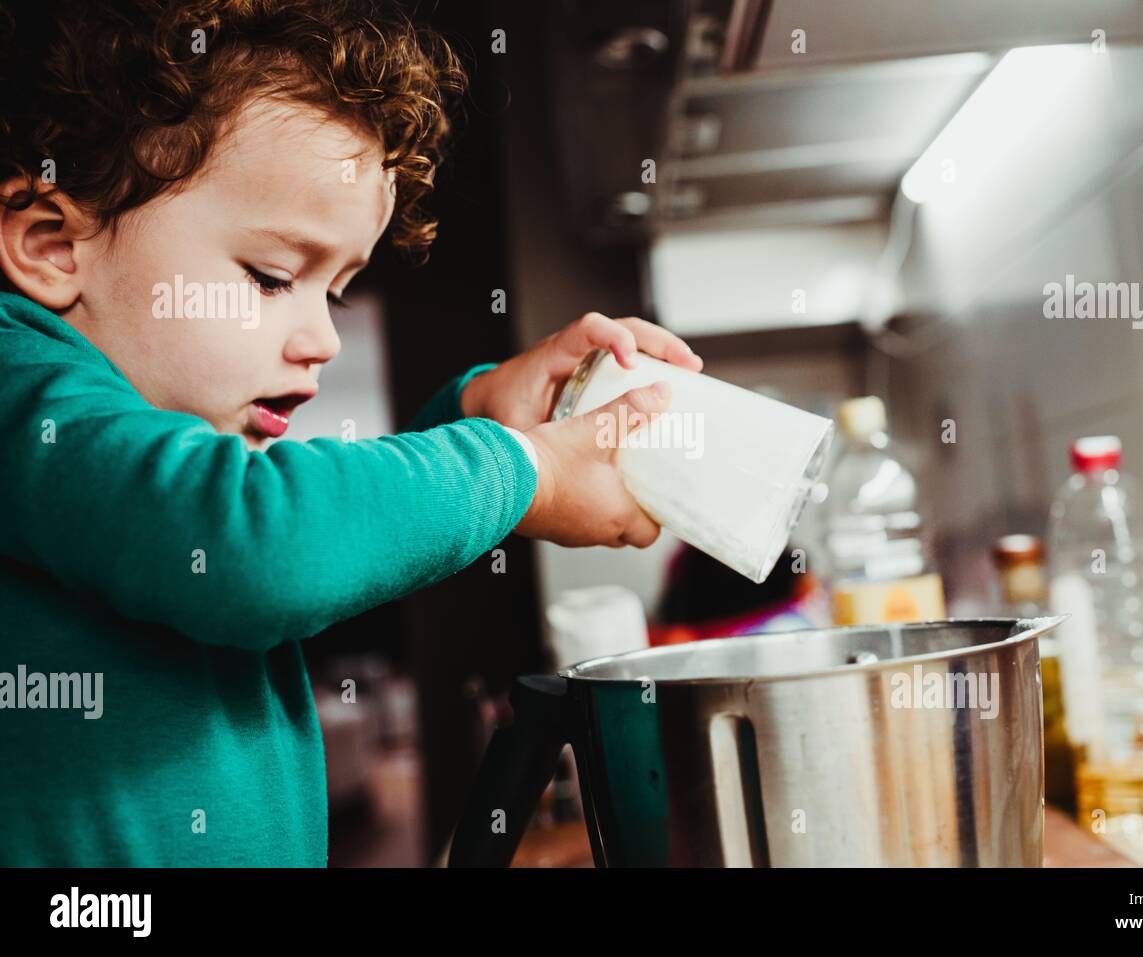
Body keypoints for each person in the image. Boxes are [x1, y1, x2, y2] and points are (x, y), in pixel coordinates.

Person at [0, 0, 701, 865]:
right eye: (270, 276)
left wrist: (476, 414)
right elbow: (260, 542)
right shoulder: (21, 393)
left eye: (333, 290)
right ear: (53, 245)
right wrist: (526, 468)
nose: (324, 338)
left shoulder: (126, 453)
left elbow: (314, 526)